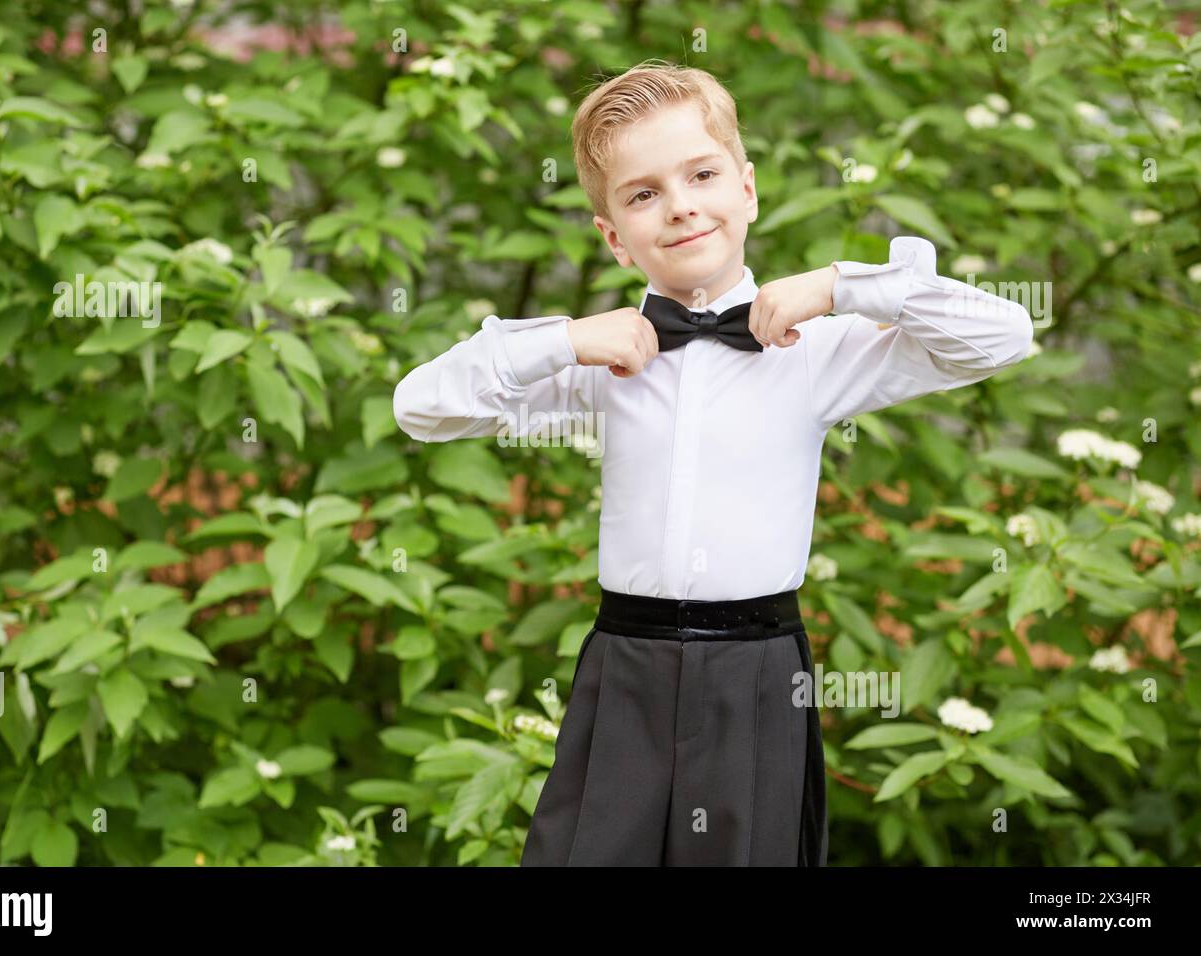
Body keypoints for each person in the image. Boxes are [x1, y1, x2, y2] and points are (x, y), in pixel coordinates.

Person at [392, 61, 1033, 866]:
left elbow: (1005, 335)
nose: (681, 204)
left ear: (748, 190)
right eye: (643, 193)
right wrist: (560, 340)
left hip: (756, 676)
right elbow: (419, 405)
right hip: (625, 666)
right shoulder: (603, 360)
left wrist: (846, 286)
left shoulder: (815, 352)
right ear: (613, 237)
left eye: (702, 174)